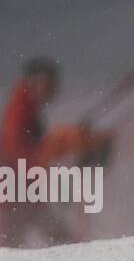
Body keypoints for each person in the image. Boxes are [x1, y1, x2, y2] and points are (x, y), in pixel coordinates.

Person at [0, 59, 110, 247]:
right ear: (34, 81)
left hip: (21, 193)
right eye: (49, 82)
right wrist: (69, 142)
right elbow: (19, 151)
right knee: (16, 244)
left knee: (49, 238)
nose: (52, 88)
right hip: (14, 194)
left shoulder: (27, 106)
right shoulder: (20, 109)